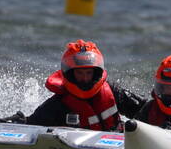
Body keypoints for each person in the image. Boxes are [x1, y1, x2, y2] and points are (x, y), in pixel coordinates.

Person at [19, 40, 148, 130]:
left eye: (88, 72)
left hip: (116, 146)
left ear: (95, 72)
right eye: (79, 73)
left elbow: (144, 110)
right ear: (70, 73)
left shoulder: (111, 90)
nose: (85, 78)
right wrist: (19, 121)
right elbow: (32, 124)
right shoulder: (59, 103)